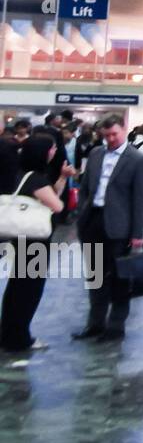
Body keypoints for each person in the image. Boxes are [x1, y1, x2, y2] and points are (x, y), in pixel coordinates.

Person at [73, 114, 143, 342]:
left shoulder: (137, 159)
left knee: (119, 278)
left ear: (124, 129)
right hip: (93, 222)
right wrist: (81, 213)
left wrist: (137, 234)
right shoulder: (96, 153)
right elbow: (85, 187)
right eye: (106, 135)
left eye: (114, 134)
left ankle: (115, 327)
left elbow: (139, 200)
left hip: (119, 228)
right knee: (95, 277)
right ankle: (95, 324)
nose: (110, 139)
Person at [0, 136, 74, 352]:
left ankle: (9, 333)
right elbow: (57, 206)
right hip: (35, 242)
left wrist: (61, 177)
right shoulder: (36, 179)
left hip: (21, 239)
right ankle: (19, 338)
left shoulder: (20, 175)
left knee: (16, 288)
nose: (53, 152)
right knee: (28, 292)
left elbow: (48, 198)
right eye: (51, 149)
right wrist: (62, 182)